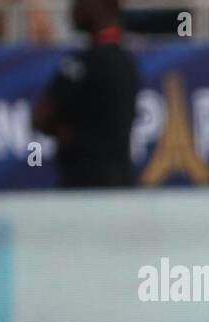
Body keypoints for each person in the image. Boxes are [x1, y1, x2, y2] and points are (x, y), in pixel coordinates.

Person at [31, 0, 138, 189]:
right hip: (120, 185)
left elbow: (41, 118)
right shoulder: (127, 61)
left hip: (83, 185)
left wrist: (67, 133)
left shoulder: (83, 64)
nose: (73, 9)